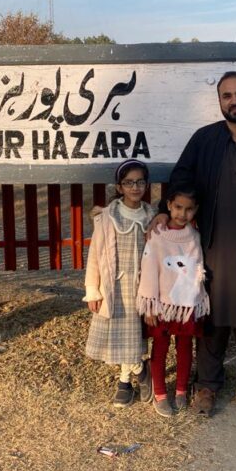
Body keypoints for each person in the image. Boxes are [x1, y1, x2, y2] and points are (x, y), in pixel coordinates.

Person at [149, 71, 236, 419]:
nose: (234, 101)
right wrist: (164, 210)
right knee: (209, 315)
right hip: (209, 245)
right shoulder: (204, 140)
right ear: (220, 102)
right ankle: (207, 385)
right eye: (227, 96)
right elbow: (181, 177)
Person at [83, 159, 155, 408]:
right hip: (115, 287)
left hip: (142, 286)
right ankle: (139, 372)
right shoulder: (107, 217)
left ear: (146, 185)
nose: (135, 187)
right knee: (120, 337)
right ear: (119, 186)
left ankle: (125, 381)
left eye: (140, 182)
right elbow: (95, 256)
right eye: (129, 182)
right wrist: (93, 289)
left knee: (133, 337)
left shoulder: (151, 217)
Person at [137, 183, 209, 417]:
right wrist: (150, 305)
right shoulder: (157, 236)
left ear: (196, 210)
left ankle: (180, 390)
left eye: (189, 209)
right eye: (178, 207)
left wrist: (195, 301)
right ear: (168, 205)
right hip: (161, 305)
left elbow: (197, 271)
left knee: (185, 347)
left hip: (185, 304)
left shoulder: (194, 237)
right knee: (160, 347)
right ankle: (159, 393)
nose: (182, 214)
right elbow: (149, 269)